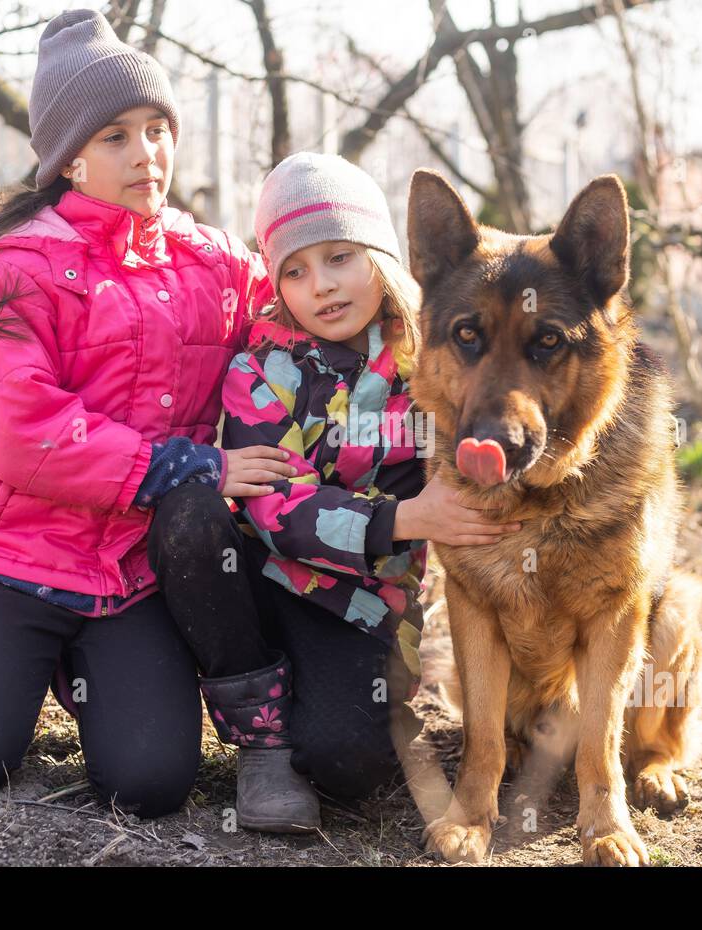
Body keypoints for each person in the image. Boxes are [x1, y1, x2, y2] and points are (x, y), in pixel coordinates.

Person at [0, 9, 294, 818]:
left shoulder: (212, 263)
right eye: (116, 136)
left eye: (157, 129)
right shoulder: (18, 267)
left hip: (132, 570)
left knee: (149, 784)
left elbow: (300, 311)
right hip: (20, 553)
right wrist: (183, 467)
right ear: (69, 158)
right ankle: (16, 663)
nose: (146, 153)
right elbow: (19, 430)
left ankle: (94, 675)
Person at [147, 152, 521, 831]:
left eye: (340, 257)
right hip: (266, 586)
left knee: (348, 766)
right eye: (295, 270)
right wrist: (406, 517)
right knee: (190, 514)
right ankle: (263, 735)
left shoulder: (430, 361)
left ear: (379, 253)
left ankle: (354, 701)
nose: (321, 285)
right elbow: (280, 512)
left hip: (364, 608)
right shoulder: (260, 370)